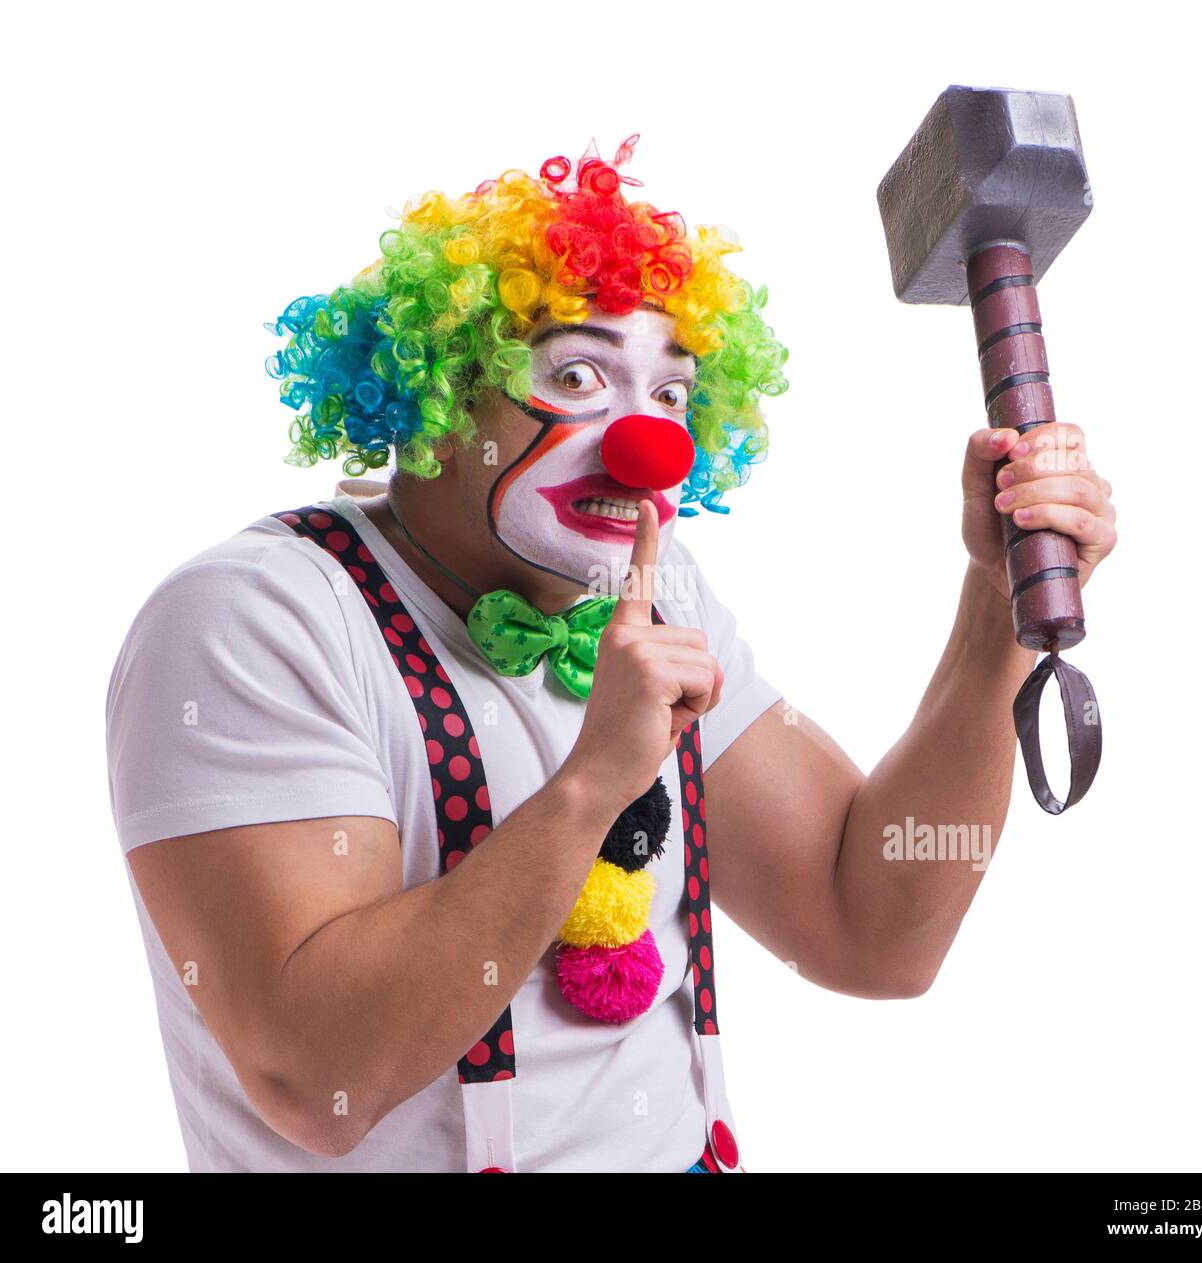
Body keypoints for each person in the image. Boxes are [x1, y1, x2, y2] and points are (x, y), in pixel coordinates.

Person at [105, 136, 1118, 1173]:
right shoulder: (257, 617)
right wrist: (595, 780)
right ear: (436, 397)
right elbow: (318, 1083)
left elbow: (874, 931)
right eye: (578, 375)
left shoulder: (654, 591)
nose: (647, 444)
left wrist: (998, 608)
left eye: (671, 397)